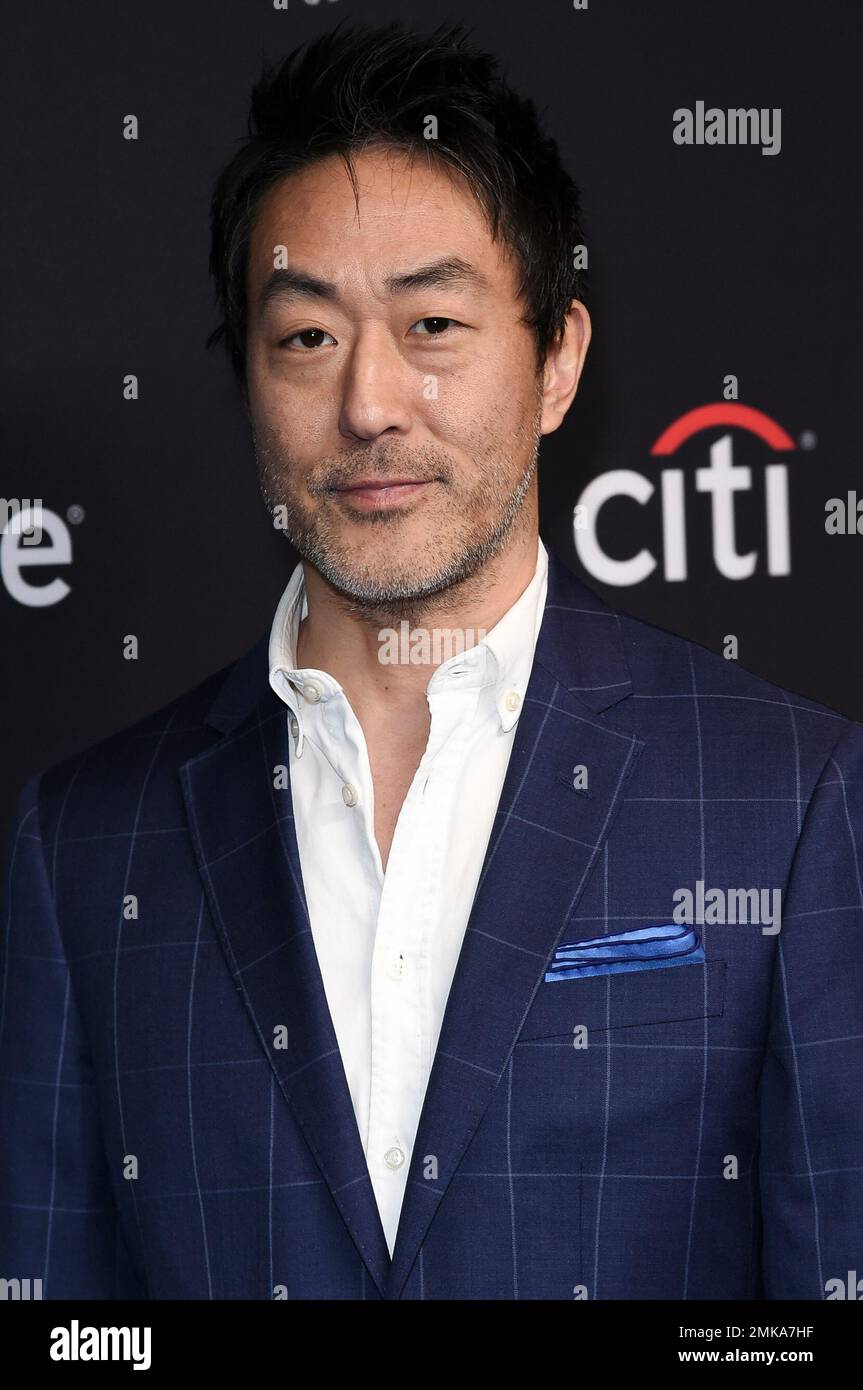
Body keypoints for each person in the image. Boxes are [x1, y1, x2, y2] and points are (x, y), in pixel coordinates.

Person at [1, 19, 861, 1301]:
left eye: (434, 322)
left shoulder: (780, 796)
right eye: (306, 338)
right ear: (246, 375)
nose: (368, 402)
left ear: (556, 359)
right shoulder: (83, 848)